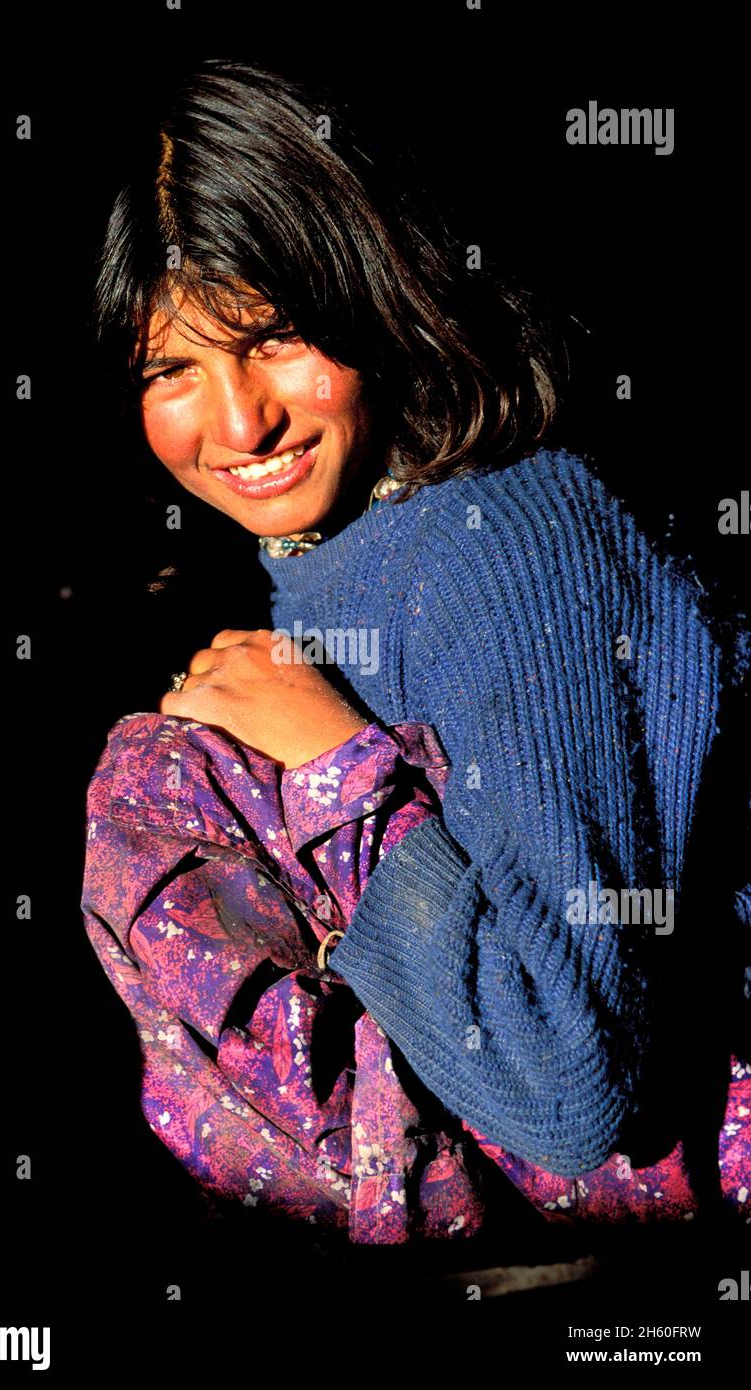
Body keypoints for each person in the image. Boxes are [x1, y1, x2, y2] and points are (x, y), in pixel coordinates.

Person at [81, 59, 750, 1244]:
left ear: (373, 299)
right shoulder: (320, 553)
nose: (240, 425)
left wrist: (332, 759)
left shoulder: (508, 543)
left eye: (278, 339)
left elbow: (565, 1083)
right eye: (175, 370)